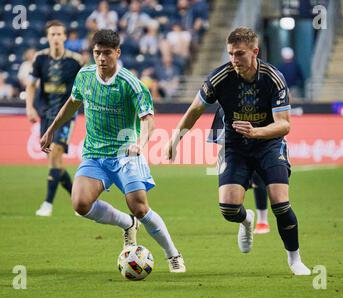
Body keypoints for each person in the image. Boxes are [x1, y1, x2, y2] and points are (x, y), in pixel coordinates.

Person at [165, 27, 310, 275]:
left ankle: (294, 260)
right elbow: (194, 110)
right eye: (230, 53)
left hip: (268, 143)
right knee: (228, 209)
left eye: (239, 54)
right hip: (234, 145)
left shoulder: (273, 78)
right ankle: (247, 221)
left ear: (255, 51)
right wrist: (175, 138)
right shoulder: (219, 77)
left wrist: (256, 132)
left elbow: (285, 125)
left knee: (280, 202)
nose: (234, 59)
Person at [40, 29, 186, 273]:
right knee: (80, 203)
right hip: (94, 154)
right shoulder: (84, 76)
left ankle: (173, 255)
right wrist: (52, 128)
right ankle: (127, 224)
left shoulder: (132, 84)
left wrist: (140, 143)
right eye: (97, 53)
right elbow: (73, 103)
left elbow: (150, 121)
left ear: (117, 52)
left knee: (140, 207)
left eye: (107, 53)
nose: (101, 58)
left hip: (125, 155)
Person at [26, 20, 83, 216]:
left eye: (59, 34)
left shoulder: (75, 61)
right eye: (53, 34)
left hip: (67, 114)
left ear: (65, 37)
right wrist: (30, 108)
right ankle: (80, 197)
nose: (56, 38)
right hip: (46, 113)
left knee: (56, 152)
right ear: (48, 37)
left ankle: (47, 204)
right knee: (54, 160)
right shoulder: (39, 58)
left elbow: (85, 87)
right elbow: (31, 85)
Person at [208, 106, 270, 234]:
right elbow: (221, 138)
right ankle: (246, 218)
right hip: (235, 152)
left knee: (258, 179)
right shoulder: (223, 107)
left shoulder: (260, 101)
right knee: (234, 190)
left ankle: (263, 221)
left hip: (258, 146)